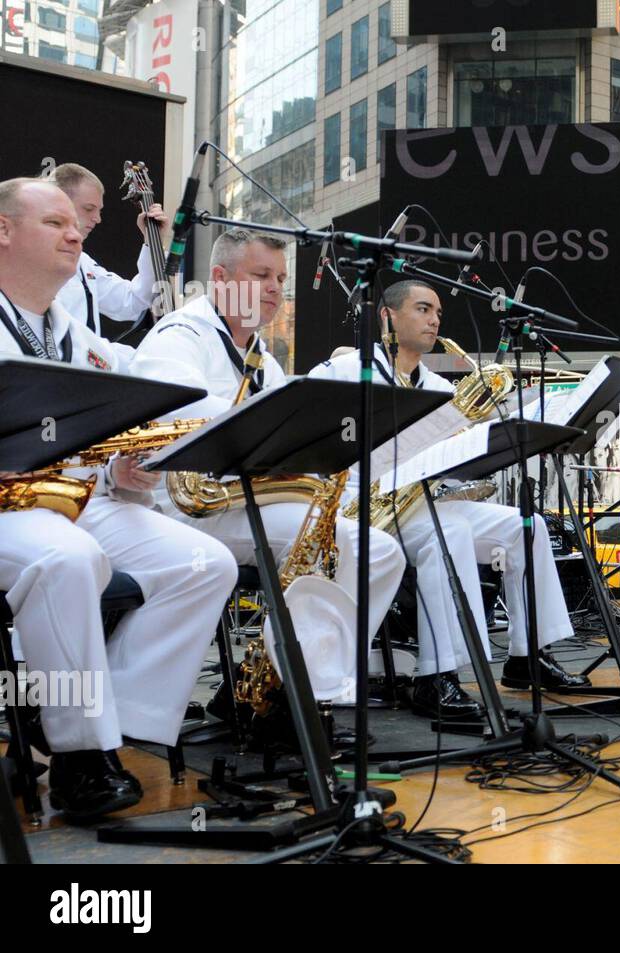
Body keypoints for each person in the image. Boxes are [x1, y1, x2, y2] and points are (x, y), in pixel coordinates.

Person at [0, 177, 237, 818]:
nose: (76, 232)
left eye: (74, 224)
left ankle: (122, 723)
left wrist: (133, 459)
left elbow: (141, 381)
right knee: (66, 559)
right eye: (55, 223)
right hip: (7, 507)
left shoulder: (69, 327)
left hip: (72, 501)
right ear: (4, 231)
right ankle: (81, 755)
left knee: (205, 564)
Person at [130, 229, 405, 703]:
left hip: (243, 502)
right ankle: (289, 692)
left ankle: (285, 683)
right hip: (185, 509)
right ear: (220, 278)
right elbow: (183, 416)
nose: (277, 288)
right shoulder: (180, 335)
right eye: (262, 275)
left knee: (380, 551)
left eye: (280, 277)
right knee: (348, 549)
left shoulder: (262, 358)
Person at [308, 280, 589, 720]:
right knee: (450, 532)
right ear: (388, 316)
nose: (435, 320)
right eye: (422, 309)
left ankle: (527, 657)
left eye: (437, 312)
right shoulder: (347, 370)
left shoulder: (441, 387)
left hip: (420, 498)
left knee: (524, 527)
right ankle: (437, 676)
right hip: (364, 504)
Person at [47, 163, 166, 343]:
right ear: (60, 203)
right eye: (88, 209)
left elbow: (131, 302)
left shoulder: (83, 262)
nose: (97, 218)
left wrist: (152, 242)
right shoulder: (28, 258)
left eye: (99, 210)